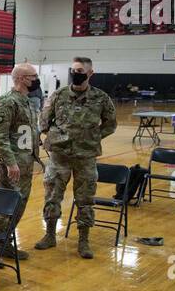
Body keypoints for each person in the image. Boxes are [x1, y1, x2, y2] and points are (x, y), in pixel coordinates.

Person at [35, 56, 117, 260]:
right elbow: (44, 122)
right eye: (73, 70)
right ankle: (50, 235)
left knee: (85, 200)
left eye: (80, 71)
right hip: (59, 156)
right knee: (52, 197)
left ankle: (84, 241)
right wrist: (58, 137)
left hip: (86, 157)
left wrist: (91, 137)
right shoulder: (58, 95)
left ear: (90, 74)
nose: (75, 74)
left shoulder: (101, 98)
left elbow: (110, 123)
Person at [0, 63, 40, 261]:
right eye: (33, 76)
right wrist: (10, 163)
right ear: (21, 78)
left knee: (18, 206)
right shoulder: (7, 102)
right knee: (1, 207)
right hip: (9, 167)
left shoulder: (27, 101)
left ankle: (4, 243)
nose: (36, 79)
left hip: (25, 165)